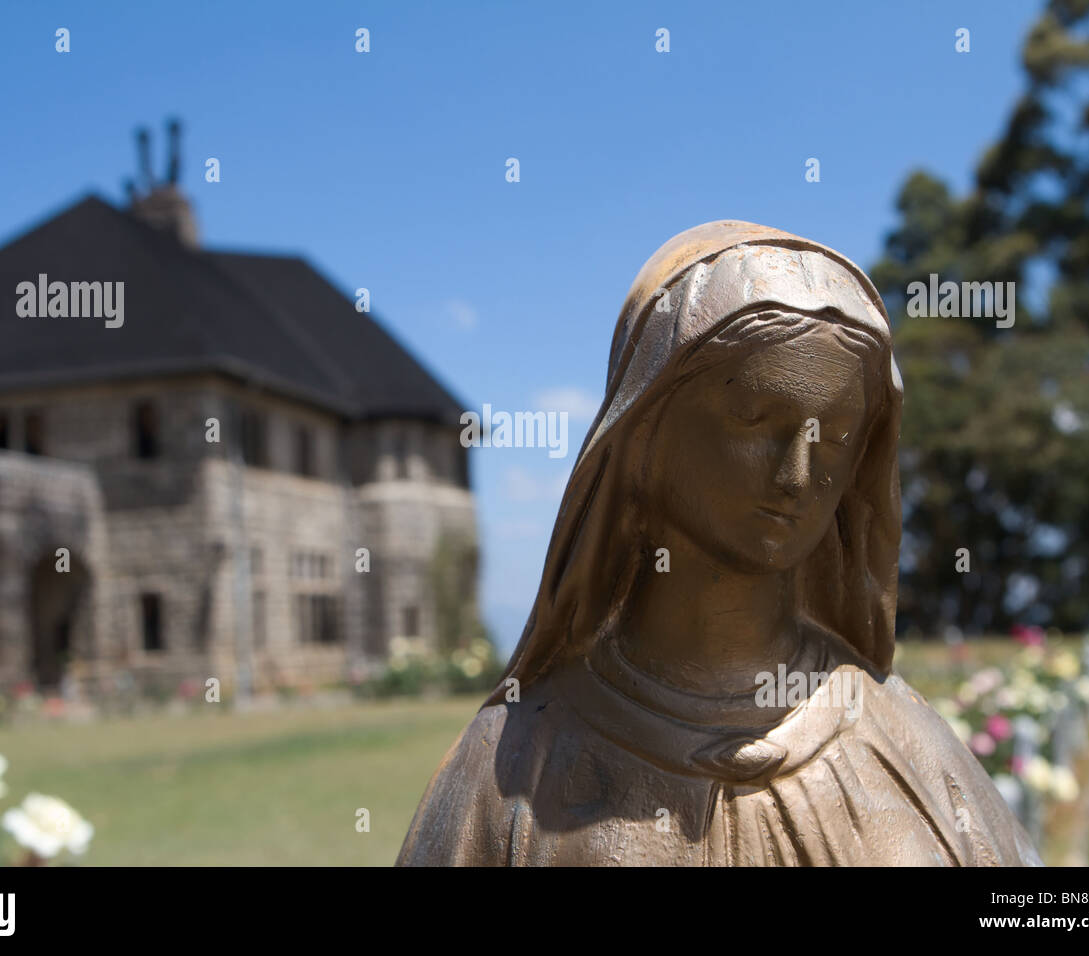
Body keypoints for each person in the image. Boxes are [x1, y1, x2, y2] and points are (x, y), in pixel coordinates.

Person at [397, 221, 1041, 866]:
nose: (797, 475)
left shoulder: (905, 740)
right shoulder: (509, 768)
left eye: (837, 436)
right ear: (645, 433)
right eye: (755, 418)